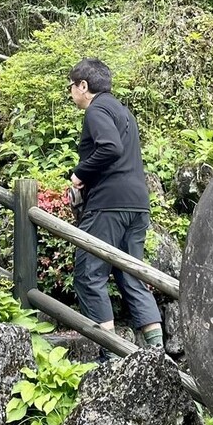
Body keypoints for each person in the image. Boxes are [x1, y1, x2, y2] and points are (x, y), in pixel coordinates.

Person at [67, 57, 164, 355]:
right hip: (137, 205)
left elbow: (110, 147)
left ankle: (109, 357)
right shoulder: (123, 111)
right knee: (131, 275)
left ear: (84, 86)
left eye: (71, 86)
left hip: (109, 205)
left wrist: (80, 174)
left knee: (89, 274)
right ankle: (157, 354)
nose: (71, 92)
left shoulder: (96, 110)